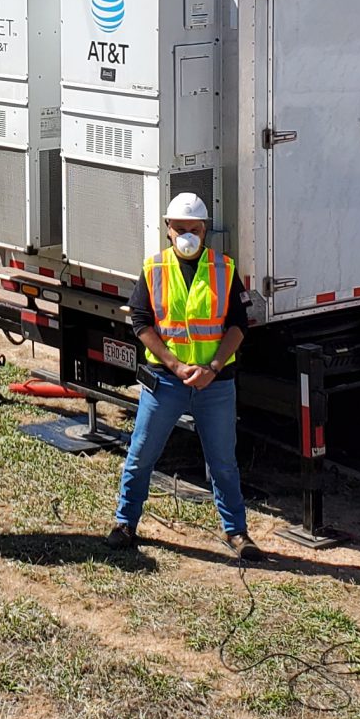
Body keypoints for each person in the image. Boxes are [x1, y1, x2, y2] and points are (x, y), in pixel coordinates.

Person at [107, 193, 261, 561]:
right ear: (168, 229)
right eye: (180, 229)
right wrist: (176, 366)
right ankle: (125, 523)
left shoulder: (224, 269)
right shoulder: (154, 268)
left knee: (223, 463)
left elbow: (238, 325)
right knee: (141, 455)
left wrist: (213, 368)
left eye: (194, 229)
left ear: (205, 230)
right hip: (165, 382)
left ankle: (236, 532)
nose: (187, 236)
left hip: (215, 384)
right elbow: (141, 323)